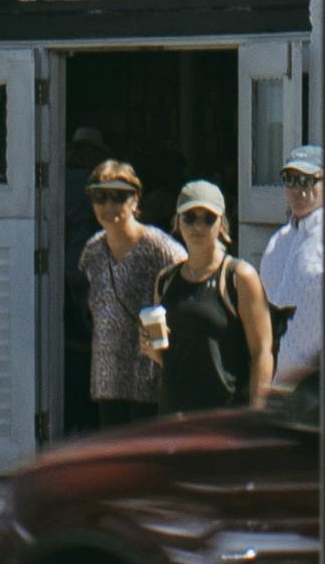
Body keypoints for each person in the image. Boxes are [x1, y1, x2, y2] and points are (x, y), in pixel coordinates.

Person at [157, 176, 273, 411]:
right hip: (174, 417)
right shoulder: (165, 280)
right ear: (178, 222)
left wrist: (257, 411)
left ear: (221, 224)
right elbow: (166, 356)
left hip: (223, 417)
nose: (198, 227)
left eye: (208, 219)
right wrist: (152, 347)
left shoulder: (238, 276)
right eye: (189, 218)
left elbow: (262, 351)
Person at [73, 159, 172, 430]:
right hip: (108, 375)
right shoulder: (92, 250)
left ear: (135, 200)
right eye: (100, 197)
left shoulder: (158, 247)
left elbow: (189, 283)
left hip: (148, 373)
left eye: (118, 196)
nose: (108, 206)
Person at [258, 144, 325, 387]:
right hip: (276, 386)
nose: (299, 189)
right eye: (291, 179)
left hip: (317, 386)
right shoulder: (278, 242)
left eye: (308, 180)